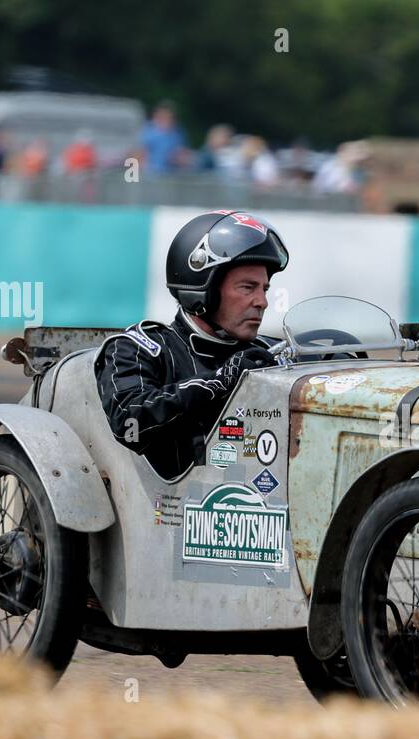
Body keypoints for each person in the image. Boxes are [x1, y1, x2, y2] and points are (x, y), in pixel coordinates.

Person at [95, 211, 289, 480]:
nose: (262, 302)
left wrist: (336, 356)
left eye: (264, 289)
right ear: (203, 288)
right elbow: (129, 423)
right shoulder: (139, 348)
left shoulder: (267, 351)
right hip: (172, 510)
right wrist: (218, 383)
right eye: (248, 288)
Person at [140, 101, 187, 173]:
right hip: (151, 173)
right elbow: (140, 153)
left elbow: (181, 153)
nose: (165, 120)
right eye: (162, 117)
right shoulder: (147, 132)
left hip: (171, 174)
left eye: (168, 117)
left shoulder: (177, 133)